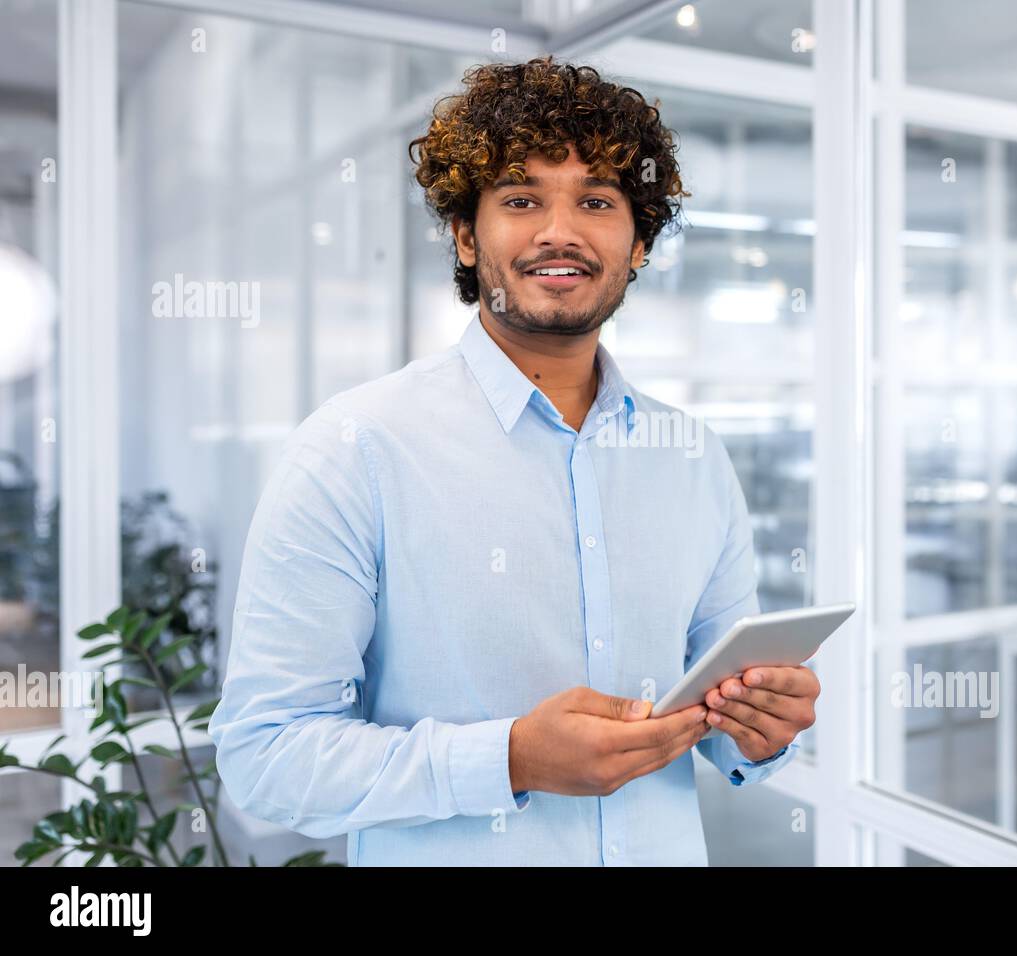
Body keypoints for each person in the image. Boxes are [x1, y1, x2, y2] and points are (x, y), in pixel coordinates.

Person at [209, 55, 818, 866]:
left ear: (638, 245)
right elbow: (266, 757)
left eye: (597, 202)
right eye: (521, 199)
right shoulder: (354, 449)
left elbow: (718, 712)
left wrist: (762, 731)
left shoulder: (693, 458)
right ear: (466, 236)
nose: (558, 231)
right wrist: (511, 759)